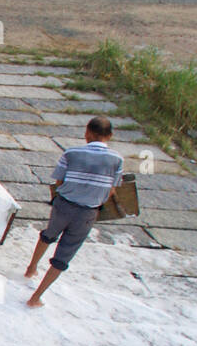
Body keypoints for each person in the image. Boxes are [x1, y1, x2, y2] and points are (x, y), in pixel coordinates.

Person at [25, 116, 124, 308]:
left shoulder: (71, 153)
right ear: (110, 135)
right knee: (64, 254)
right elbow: (112, 189)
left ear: (87, 133)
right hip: (87, 214)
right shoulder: (117, 160)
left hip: (63, 205)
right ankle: (35, 297)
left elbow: (59, 182)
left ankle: (31, 268)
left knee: (48, 235)